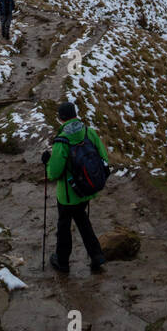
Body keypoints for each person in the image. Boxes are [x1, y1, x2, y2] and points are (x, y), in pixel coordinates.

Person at [42, 102, 108, 273]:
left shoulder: (62, 140)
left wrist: (47, 162)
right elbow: (103, 156)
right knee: (82, 219)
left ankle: (62, 261)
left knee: (64, 225)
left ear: (60, 118)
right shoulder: (88, 132)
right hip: (86, 189)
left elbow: (54, 173)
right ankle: (96, 255)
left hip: (68, 194)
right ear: (75, 114)